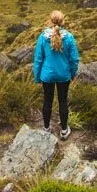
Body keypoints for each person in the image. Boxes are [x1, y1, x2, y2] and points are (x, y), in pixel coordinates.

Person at [33, 10, 79, 140]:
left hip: (47, 75)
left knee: (47, 101)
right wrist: (73, 73)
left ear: (50, 21)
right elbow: (74, 59)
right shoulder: (69, 37)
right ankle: (64, 131)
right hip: (64, 75)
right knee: (63, 101)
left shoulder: (42, 37)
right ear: (63, 21)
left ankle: (46, 129)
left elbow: (38, 59)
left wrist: (37, 76)